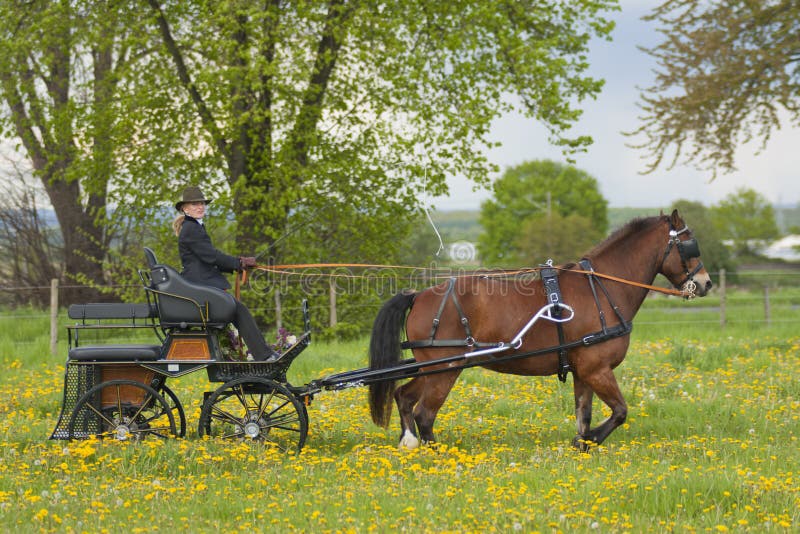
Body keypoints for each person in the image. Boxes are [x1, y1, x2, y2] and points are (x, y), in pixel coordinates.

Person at [173, 185, 280, 362]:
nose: (199, 207)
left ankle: (264, 354)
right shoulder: (191, 229)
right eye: (194, 204)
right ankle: (264, 355)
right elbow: (211, 256)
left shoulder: (194, 227)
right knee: (238, 310)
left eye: (201, 203)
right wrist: (238, 262)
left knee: (238, 309)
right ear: (184, 208)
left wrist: (238, 264)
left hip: (201, 283)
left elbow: (206, 258)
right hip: (200, 286)